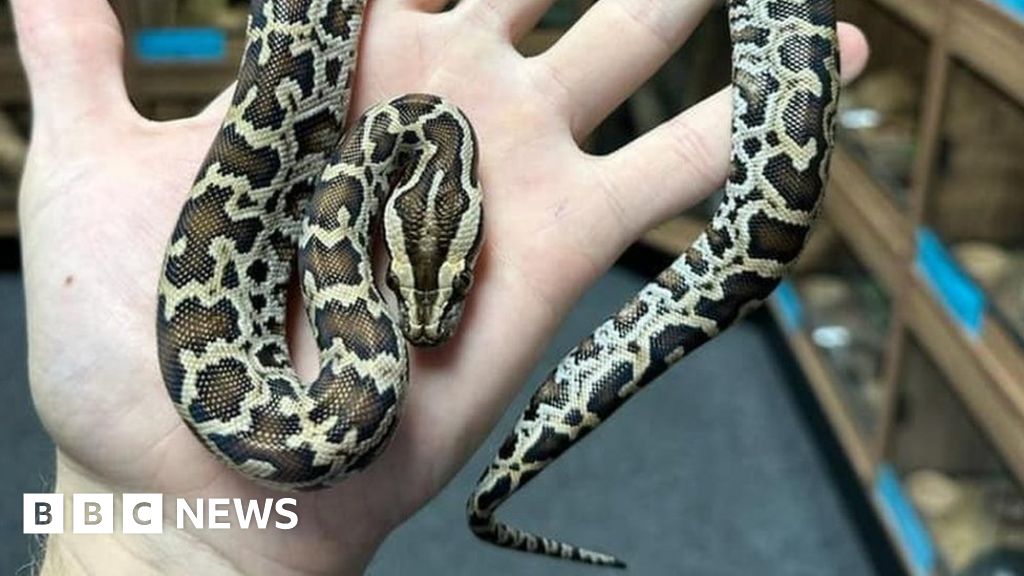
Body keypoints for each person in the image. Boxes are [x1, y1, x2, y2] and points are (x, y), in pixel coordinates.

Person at [12, 0, 869, 574]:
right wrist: (136, 537)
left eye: (449, 292)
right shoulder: (356, 218)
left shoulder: (371, 191)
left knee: (759, 232)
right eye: (426, 292)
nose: (425, 334)